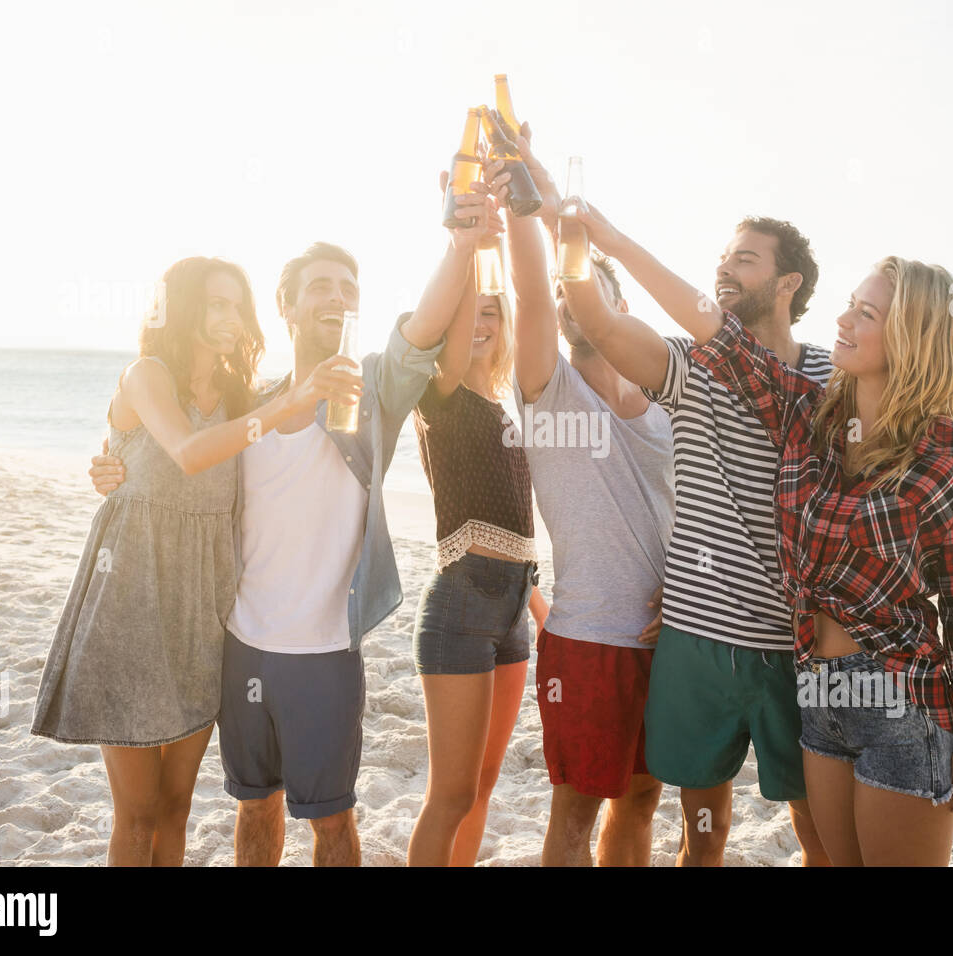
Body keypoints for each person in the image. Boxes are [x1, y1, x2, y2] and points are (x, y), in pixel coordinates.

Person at [89, 240, 459, 866]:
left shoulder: (371, 389)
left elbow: (425, 326)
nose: (336, 297)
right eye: (320, 286)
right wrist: (110, 463)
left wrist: (464, 240)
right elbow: (169, 445)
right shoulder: (248, 401)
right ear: (286, 306)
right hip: (239, 644)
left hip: (325, 653)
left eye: (348, 287)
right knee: (250, 807)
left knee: (330, 821)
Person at [673, 254, 953, 866]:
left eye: (865, 312)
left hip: (900, 700)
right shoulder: (811, 419)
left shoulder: (951, 458)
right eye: (850, 304)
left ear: (910, 335)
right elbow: (719, 338)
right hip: (817, 695)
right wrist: (600, 233)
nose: (842, 319)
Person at [35, 255, 356, 866]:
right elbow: (186, 452)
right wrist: (114, 472)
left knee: (177, 806)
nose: (231, 317)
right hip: (130, 603)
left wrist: (299, 398)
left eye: (237, 305)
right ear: (181, 308)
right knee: (137, 813)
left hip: (202, 612)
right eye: (216, 303)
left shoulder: (240, 397)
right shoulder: (147, 374)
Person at [556, 201, 833, 866]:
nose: (724, 267)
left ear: (788, 282)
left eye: (745, 258)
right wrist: (569, 240)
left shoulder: (829, 377)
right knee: (703, 830)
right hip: (697, 642)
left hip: (794, 646)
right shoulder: (689, 366)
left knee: (816, 823)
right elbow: (597, 320)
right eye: (724, 257)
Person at [487, 128, 673, 867]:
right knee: (574, 816)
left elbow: (701, 511)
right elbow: (533, 290)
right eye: (569, 293)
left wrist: (693, 590)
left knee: (644, 800)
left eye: (592, 287)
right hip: (589, 640)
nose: (572, 301)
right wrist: (524, 205)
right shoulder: (546, 389)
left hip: (672, 639)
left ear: (620, 302)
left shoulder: (667, 401)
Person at [405, 176, 548, 867]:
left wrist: (540, 597)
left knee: (485, 785)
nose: (485, 321)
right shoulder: (445, 395)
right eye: (475, 314)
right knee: (451, 793)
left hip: (513, 609)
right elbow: (455, 333)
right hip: (461, 607)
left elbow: (514, 519)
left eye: (497, 310)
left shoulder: (501, 410)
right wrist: (472, 247)